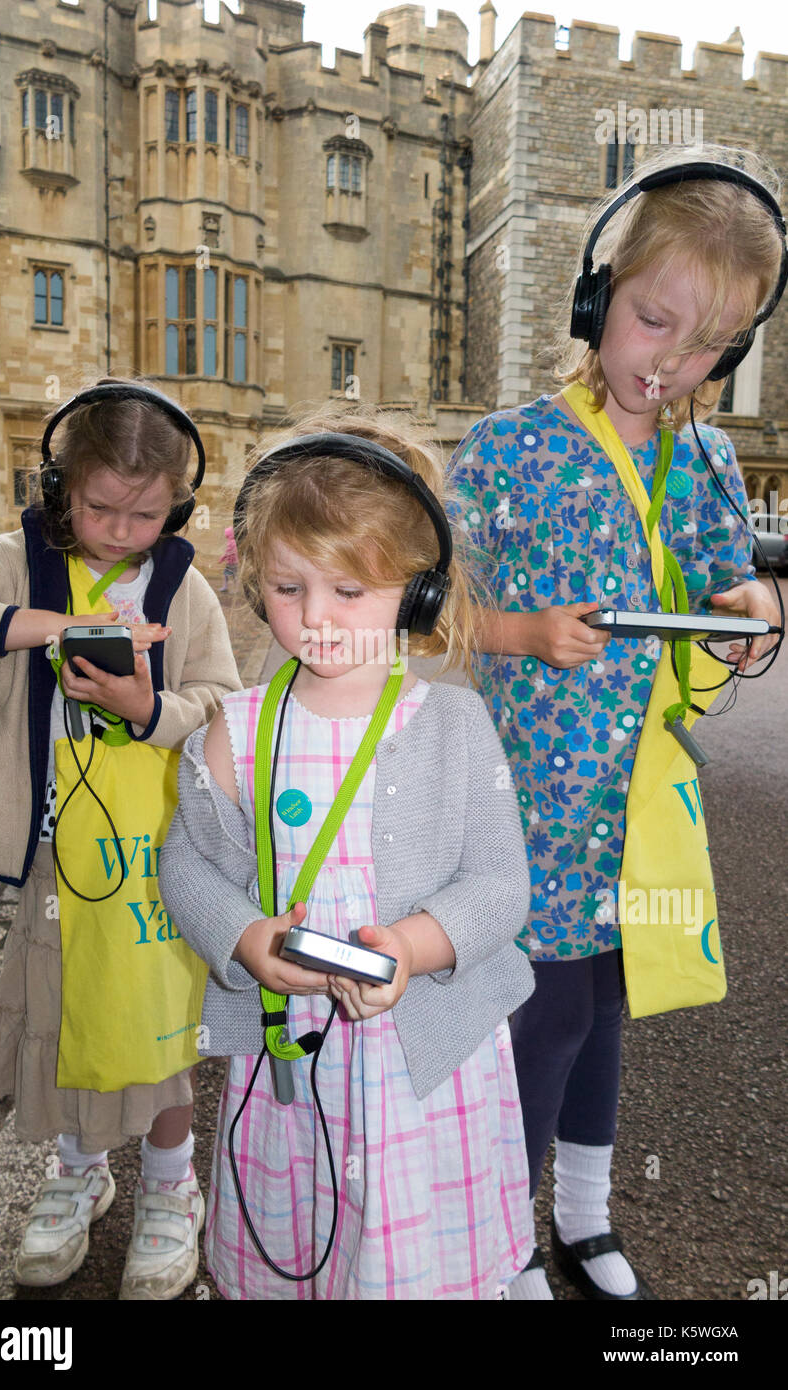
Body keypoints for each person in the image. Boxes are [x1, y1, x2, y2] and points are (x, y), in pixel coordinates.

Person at [447, 146, 784, 1300]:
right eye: (653, 323)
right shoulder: (505, 451)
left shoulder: (707, 456)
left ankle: (583, 1218)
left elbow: (725, 577)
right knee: (538, 1023)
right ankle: (500, 1238)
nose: (674, 365)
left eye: (711, 348)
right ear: (596, 296)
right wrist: (523, 633)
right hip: (527, 802)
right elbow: (427, 609)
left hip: (638, 805)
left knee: (606, 1011)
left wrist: (753, 607)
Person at [158, 404, 535, 1299]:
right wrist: (245, 938)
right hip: (295, 1065)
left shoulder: (451, 723)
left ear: (417, 592)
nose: (315, 619)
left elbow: (501, 885)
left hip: (422, 1066)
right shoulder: (234, 731)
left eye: (348, 592)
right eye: (289, 590)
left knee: (414, 1265)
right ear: (254, 586)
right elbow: (186, 863)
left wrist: (411, 945)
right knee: (307, 1248)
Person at [0, 377, 241, 1299]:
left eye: (146, 514)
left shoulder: (185, 590)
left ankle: (172, 1191)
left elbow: (223, 708)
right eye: (100, 507)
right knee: (65, 1017)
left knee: (158, 1028)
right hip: (58, 857)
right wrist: (51, 626)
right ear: (61, 488)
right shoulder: (22, 559)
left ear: (176, 503)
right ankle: (78, 1170)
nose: (121, 530)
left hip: (156, 863)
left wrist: (151, 709)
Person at [218, 524, 238, 592]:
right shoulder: (234, 542)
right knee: (232, 575)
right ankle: (227, 587)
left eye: (226, 533)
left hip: (231, 563)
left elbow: (228, 552)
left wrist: (222, 559)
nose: (225, 535)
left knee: (230, 575)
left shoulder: (231, 543)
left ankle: (229, 587)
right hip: (234, 562)